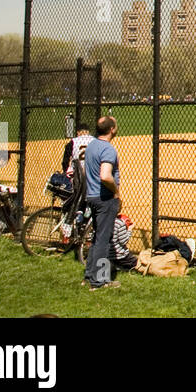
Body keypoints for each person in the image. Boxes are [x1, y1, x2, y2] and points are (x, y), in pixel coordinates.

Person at [82, 116, 122, 290]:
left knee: (98, 237)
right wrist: (116, 192)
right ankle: (99, 281)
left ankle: (89, 275)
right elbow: (105, 175)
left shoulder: (91, 146)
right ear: (112, 129)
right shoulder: (108, 149)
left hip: (91, 195)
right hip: (104, 198)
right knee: (104, 240)